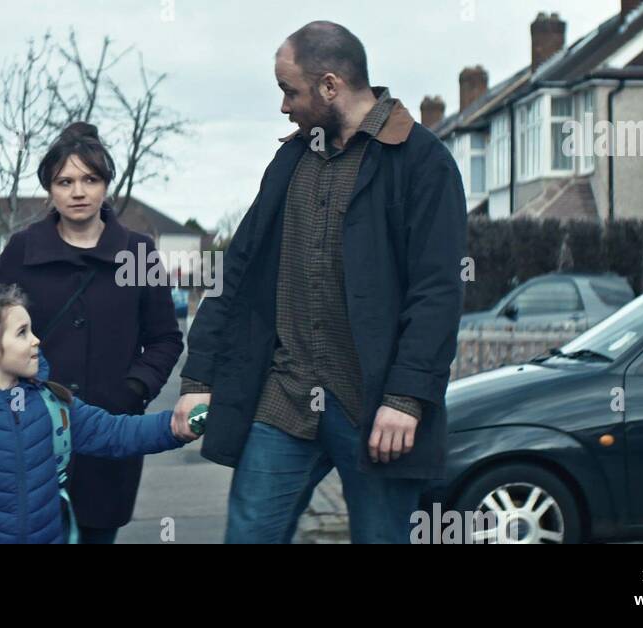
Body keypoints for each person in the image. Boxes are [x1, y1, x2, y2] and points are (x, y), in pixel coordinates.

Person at [170, 21, 467, 544]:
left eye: (290, 91)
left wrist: (406, 398)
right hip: (284, 399)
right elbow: (237, 272)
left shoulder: (422, 161)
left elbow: (437, 292)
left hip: (373, 409)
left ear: (330, 86)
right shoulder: (290, 160)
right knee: (248, 536)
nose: (284, 106)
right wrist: (198, 380)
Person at [0, 122, 185, 544]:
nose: (78, 192)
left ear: (106, 185)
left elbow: (165, 338)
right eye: (65, 182)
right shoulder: (21, 251)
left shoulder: (138, 252)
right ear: (50, 188)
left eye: (90, 180)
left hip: (109, 435)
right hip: (32, 433)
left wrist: (133, 389)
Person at [0, 286, 195, 544]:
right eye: (22, 333)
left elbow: (115, 433)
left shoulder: (53, 405)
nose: (36, 340)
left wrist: (175, 426)